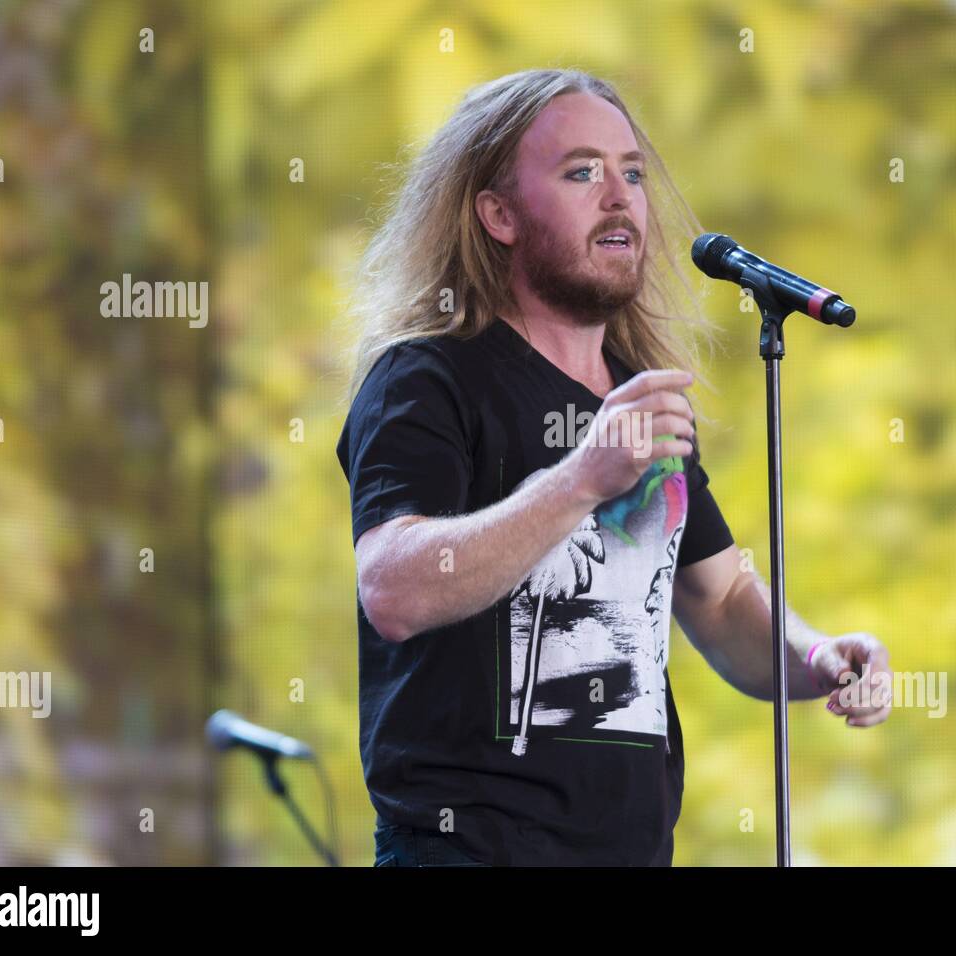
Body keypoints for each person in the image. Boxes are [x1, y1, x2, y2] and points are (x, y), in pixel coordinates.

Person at [337, 69, 892, 867]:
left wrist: (819, 657)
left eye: (631, 172)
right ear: (498, 213)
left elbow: (725, 600)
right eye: (581, 172)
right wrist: (579, 481)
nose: (620, 196)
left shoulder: (640, 400)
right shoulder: (428, 380)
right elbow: (392, 588)